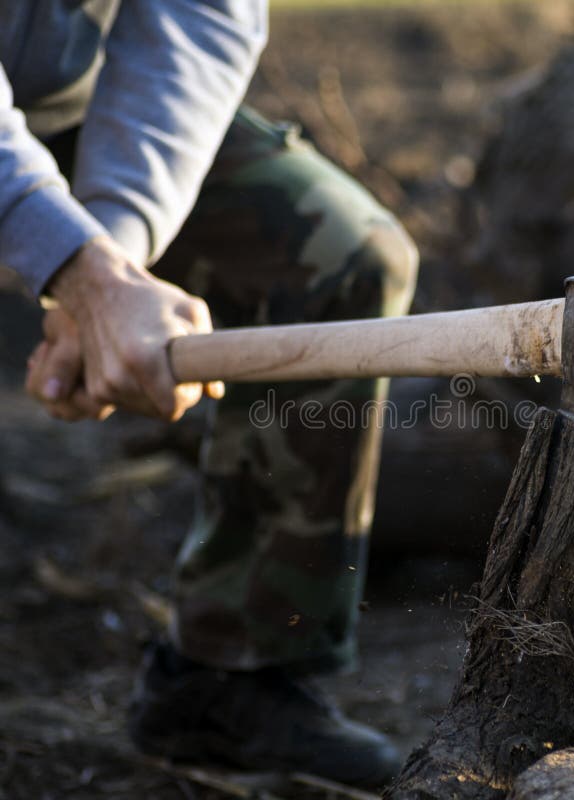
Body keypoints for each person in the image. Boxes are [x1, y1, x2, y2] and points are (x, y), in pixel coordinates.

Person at [3, 1, 418, 788]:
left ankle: (227, 678)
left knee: (339, 255)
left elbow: (198, 18)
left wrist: (111, 254)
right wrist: (79, 270)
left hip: (66, 108)